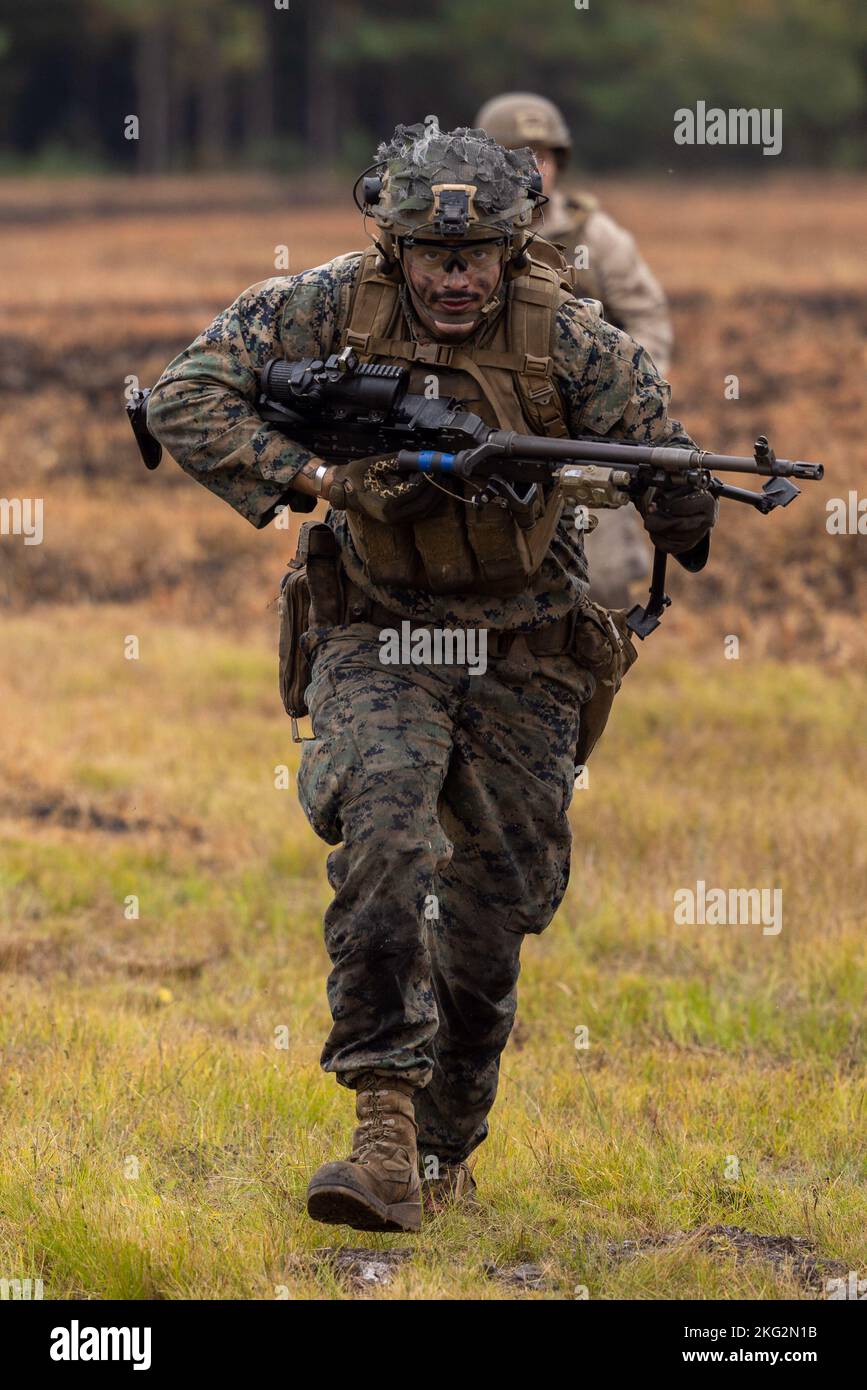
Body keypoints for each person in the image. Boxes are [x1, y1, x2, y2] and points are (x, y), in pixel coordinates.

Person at [147, 118, 715, 1234]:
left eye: (475, 257)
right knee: (388, 839)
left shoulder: (576, 340)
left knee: (496, 910)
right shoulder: (321, 306)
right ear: (391, 243)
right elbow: (184, 395)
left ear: (512, 247)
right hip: (379, 628)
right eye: (429, 255)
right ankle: (383, 1131)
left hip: (524, 641)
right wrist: (320, 476)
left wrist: (685, 501)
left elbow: (664, 455)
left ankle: (450, 1133)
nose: (453, 279)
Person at [475, 92, 674, 608]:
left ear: (559, 162)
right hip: (487, 426)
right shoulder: (462, 233)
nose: (532, 169)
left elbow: (648, 320)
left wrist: (627, 400)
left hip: (582, 436)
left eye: (542, 156)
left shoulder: (596, 236)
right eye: (515, 156)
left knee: (601, 579)